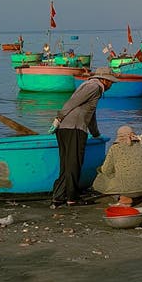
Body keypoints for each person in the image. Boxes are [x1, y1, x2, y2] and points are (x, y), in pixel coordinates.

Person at [49, 69, 116, 208]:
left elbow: (90, 114)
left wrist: (96, 133)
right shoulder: (94, 87)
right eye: (111, 82)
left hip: (66, 129)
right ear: (105, 80)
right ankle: (72, 198)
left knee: (66, 164)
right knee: (74, 163)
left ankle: (59, 196)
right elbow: (72, 102)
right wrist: (58, 117)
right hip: (74, 128)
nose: (111, 85)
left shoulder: (90, 86)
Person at [92, 125, 142, 206]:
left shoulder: (114, 149)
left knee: (101, 177)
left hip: (127, 190)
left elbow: (106, 170)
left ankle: (125, 198)